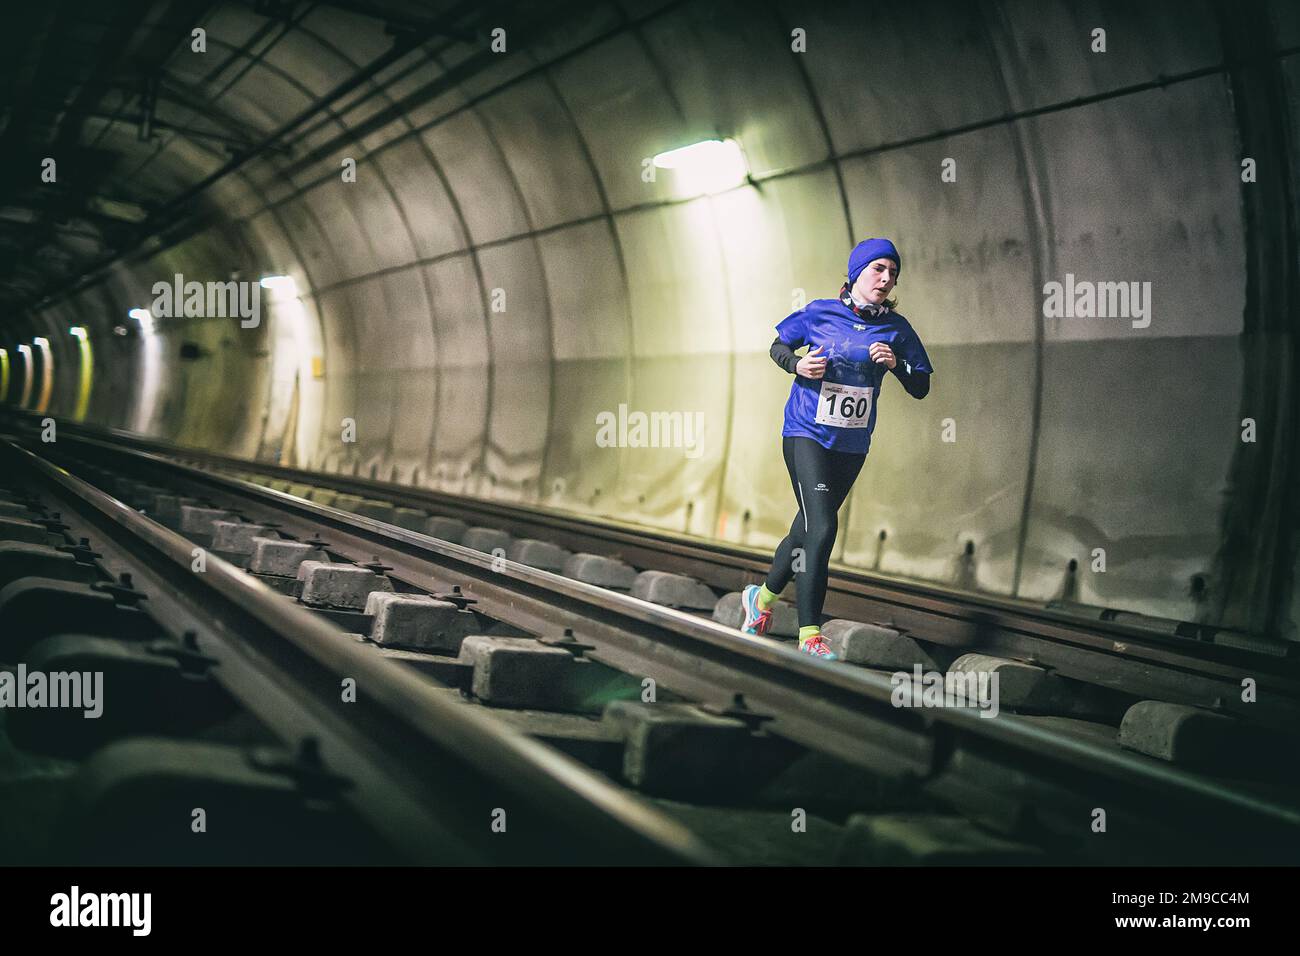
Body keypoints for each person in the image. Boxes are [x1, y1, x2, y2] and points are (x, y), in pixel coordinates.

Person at [740, 238, 933, 659]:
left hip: (851, 444)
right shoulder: (819, 312)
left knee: (804, 530)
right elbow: (778, 345)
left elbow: (921, 385)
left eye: (893, 273)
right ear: (857, 272)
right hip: (805, 432)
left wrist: (896, 365)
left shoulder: (896, 330)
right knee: (824, 528)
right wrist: (798, 364)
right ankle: (810, 635)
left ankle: (761, 600)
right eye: (879, 269)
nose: (886, 279)